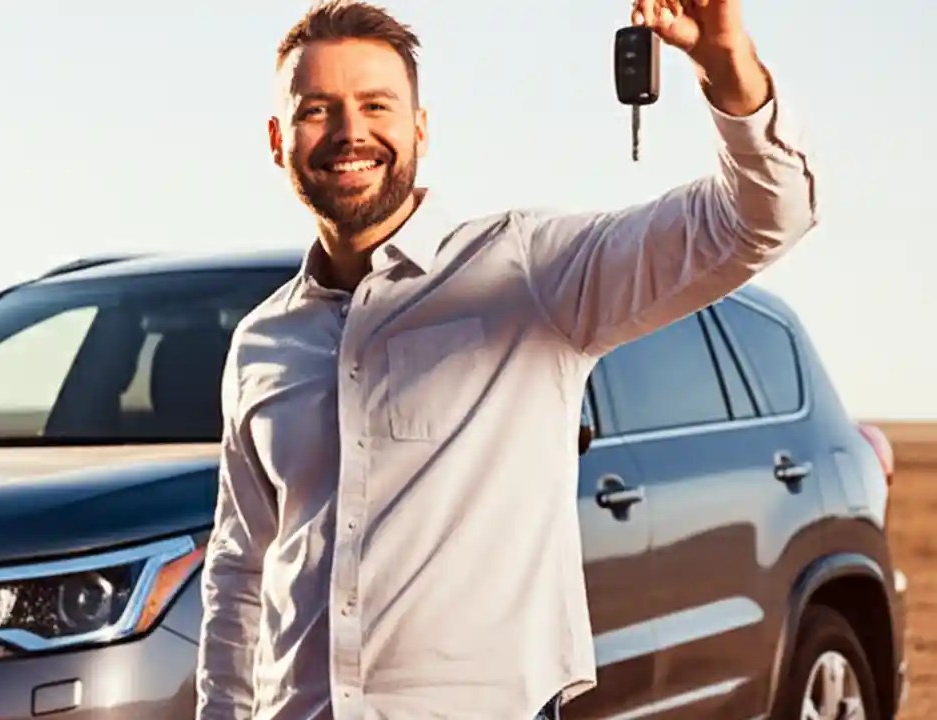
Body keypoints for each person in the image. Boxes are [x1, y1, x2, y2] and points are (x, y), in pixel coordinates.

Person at [196, 0, 817, 718]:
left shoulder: (527, 275)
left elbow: (763, 218)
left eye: (376, 105)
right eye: (317, 110)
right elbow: (242, 567)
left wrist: (728, 68)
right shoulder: (261, 342)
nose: (349, 132)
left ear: (420, 130)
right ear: (278, 139)